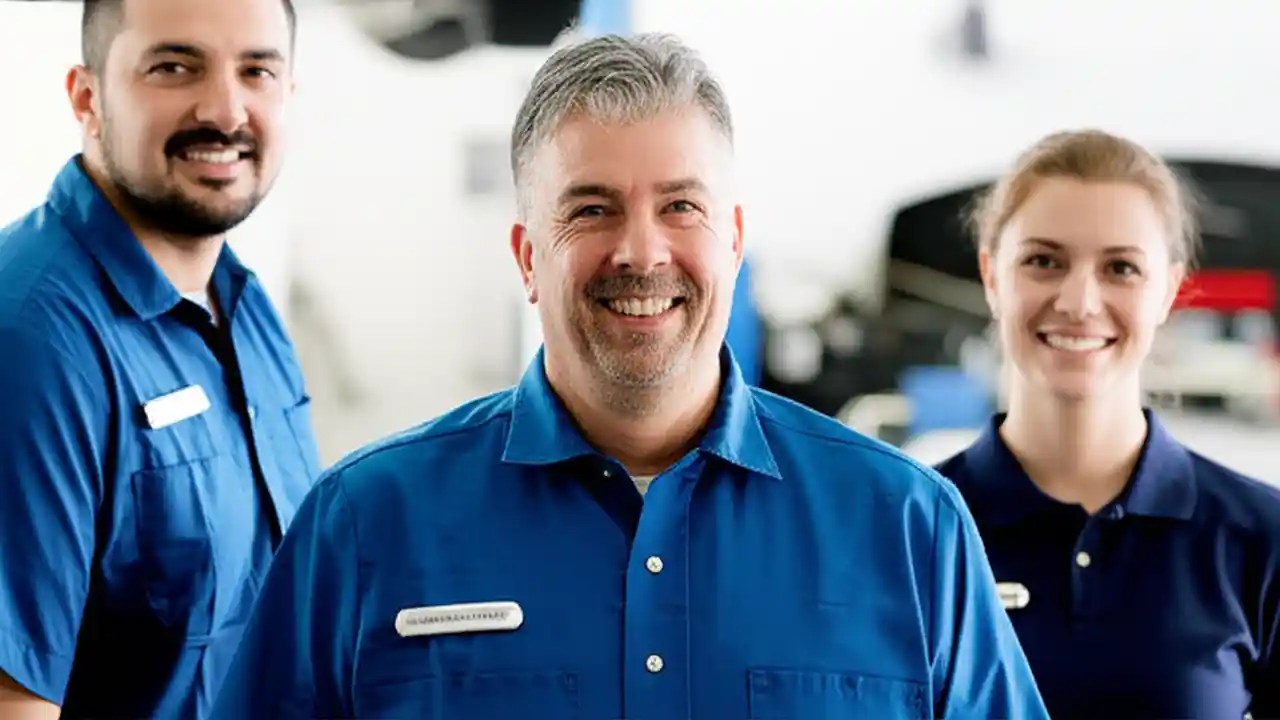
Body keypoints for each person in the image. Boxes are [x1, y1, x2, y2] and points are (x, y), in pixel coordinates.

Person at [211, 33, 1047, 720]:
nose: (641, 252)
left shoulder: (908, 528)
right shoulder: (364, 525)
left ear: (733, 241)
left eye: (681, 206)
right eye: (592, 209)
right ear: (527, 257)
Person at [0, 0, 322, 717]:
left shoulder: (245, 309)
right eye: (174, 67)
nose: (226, 111)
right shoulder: (29, 339)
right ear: (88, 98)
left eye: (257, 71)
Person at [935, 128, 1280, 718]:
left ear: (1169, 291)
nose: (1079, 302)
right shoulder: (915, 528)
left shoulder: (1259, 539)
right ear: (992, 275)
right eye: (1044, 261)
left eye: (1121, 268)